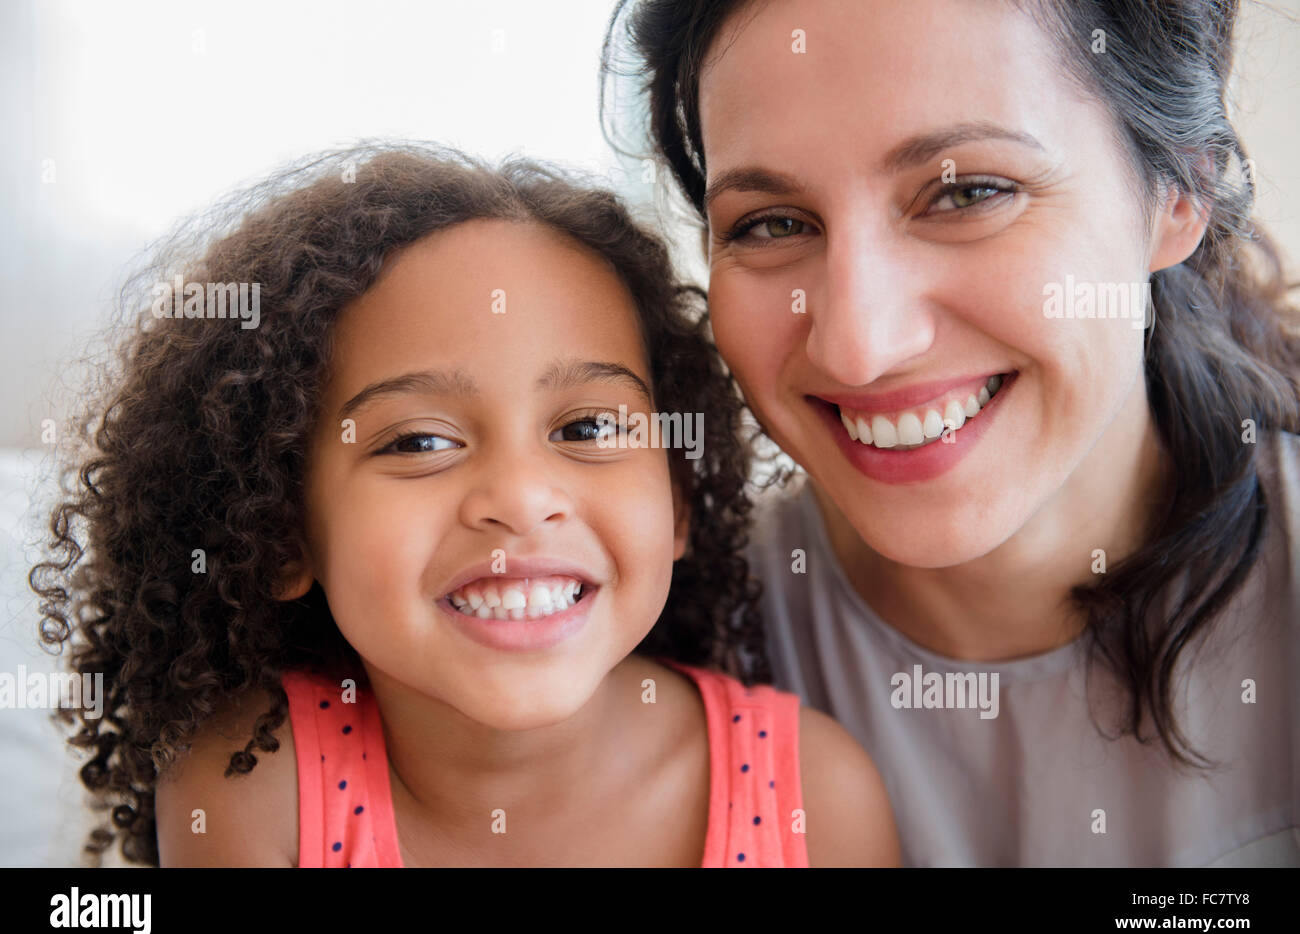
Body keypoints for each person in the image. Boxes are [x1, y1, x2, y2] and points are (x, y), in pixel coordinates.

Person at [30, 144, 899, 867]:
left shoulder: (814, 800)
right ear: (284, 531)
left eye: (589, 425)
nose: (521, 499)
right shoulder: (258, 790)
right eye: (417, 442)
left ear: (676, 499)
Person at [603, 0, 1300, 864]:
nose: (858, 346)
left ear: (1180, 186)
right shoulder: (650, 652)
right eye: (773, 223)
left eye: (969, 192)